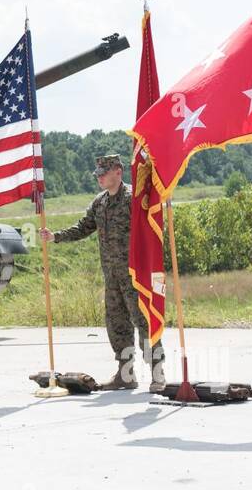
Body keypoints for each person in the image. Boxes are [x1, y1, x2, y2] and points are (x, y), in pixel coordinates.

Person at [41, 153, 166, 392]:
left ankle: (157, 374)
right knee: (117, 325)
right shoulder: (100, 203)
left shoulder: (133, 199)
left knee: (145, 323)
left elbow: (150, 222)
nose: (99, 178)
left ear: (118, 172)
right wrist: (55, 236)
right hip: (112, 276)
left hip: (135, 275)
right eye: (97, 174)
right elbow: (83, 227)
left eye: (103, 173)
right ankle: (125, 375)